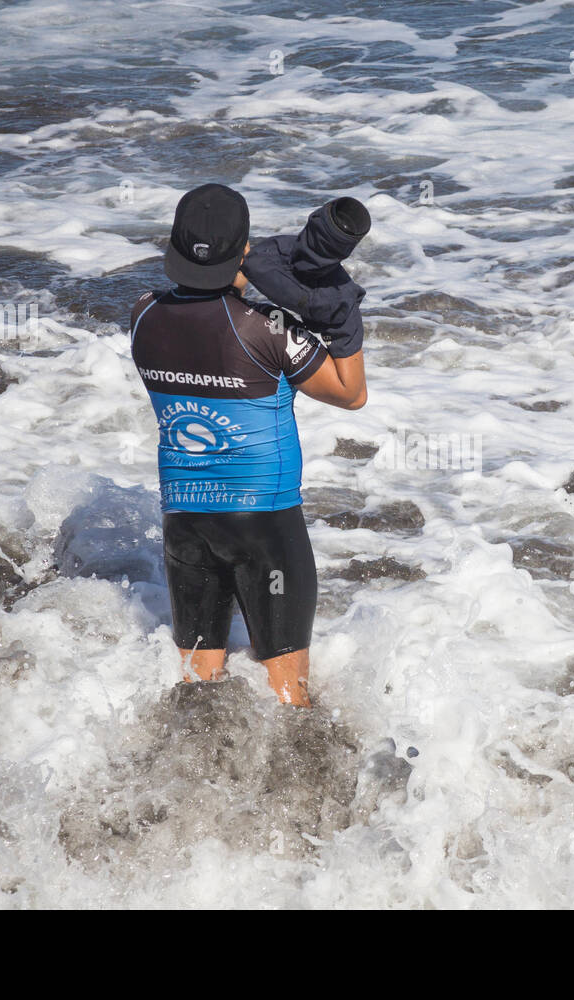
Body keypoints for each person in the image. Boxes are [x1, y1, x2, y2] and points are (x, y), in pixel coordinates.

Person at [129, 183, 368, 707]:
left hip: (185, 526)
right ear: (244, 250)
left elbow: (202, 317)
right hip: (265, 529)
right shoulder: (268, 329)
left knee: (197, 692)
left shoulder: (143, 315)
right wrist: (339, 314)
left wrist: (244, 266)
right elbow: (351, 394)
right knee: (289, 699)